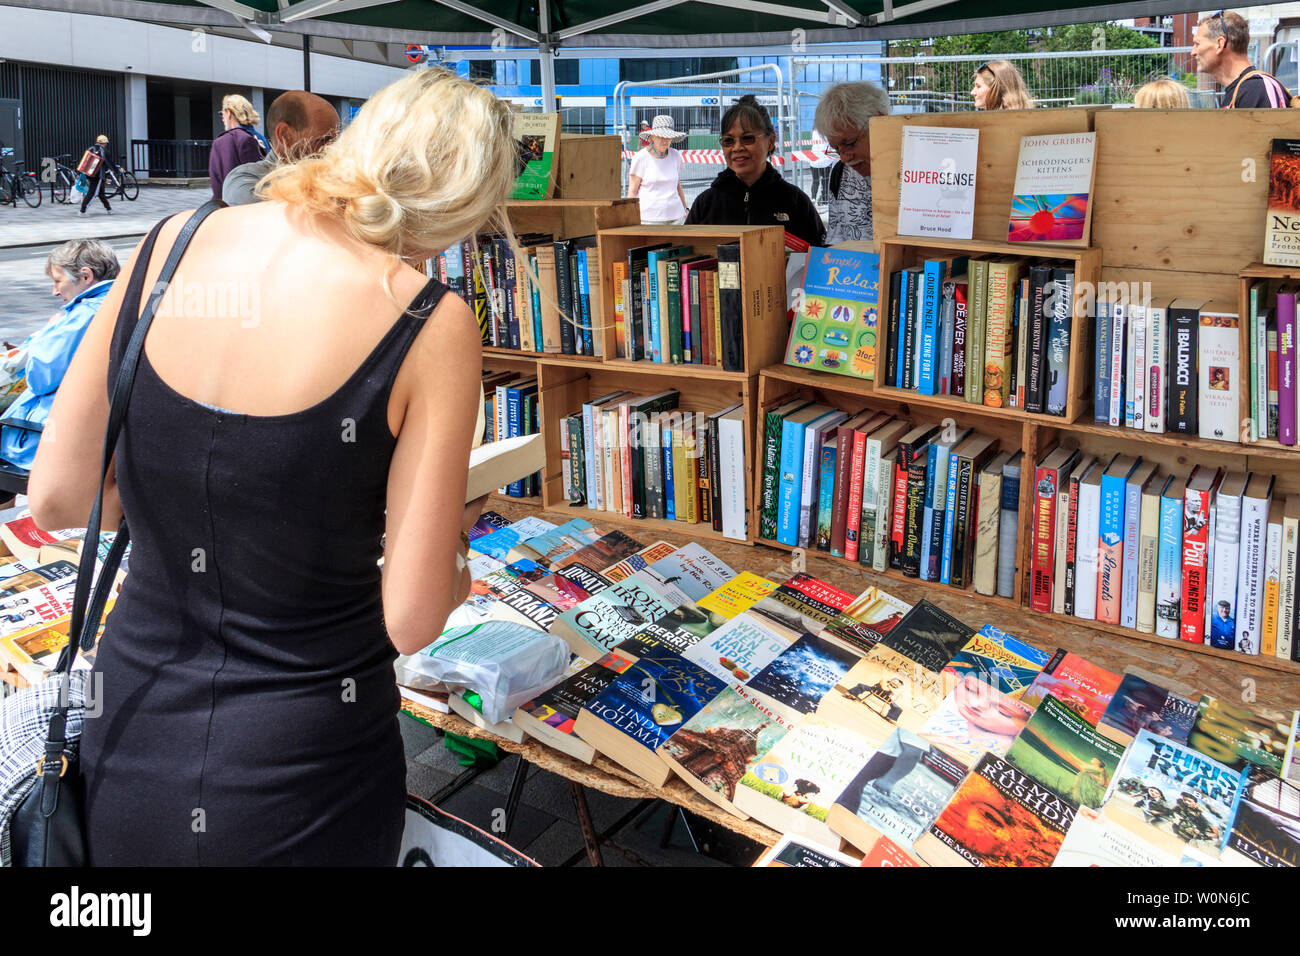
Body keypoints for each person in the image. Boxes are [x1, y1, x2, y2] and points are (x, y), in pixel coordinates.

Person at [29, 67, 517, 865]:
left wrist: (202, 515)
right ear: (465, 204)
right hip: (307, 768)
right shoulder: (429, 318)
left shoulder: (166, 244)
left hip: (131, 731)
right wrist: (456, 554)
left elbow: (56, 496)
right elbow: (413, 618)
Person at [0, 240, 120, 482]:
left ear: (86, 276)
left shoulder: (84, 315)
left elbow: (40, 378)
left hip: (46, 436)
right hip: (101, 427)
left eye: (58, 281)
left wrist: (45, 335)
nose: (54, 291)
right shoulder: (123, 302)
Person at [685, 95, 824, 247]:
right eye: (728, 141)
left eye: (747, 138)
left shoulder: (796, 202)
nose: (737, 148)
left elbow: (818, 259)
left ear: (770, 141)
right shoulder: (705, 204)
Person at [223, 90, 340, 206]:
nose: (333, 148)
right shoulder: (243, 180)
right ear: (285, 136)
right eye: (323, 140)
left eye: (337, 140)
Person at [812, 81, 890, 244]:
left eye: (848, 143)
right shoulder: (839, 174)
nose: (844, 158)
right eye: (836, 149)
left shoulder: (918, 171)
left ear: (880, 119)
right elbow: (836, 242)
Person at [1191, 10, 1292, 108]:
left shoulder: (1255, 89)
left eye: (1197, 44)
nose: (1193, 53)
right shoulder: (1244, 90)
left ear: (1220, 44)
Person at [627, 114, 689, 226]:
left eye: (668, 137)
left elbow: (677, 185)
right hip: (648, 220)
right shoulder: (641, 158)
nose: (665, 141)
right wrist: (629, 216)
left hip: (677, 218)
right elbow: (632, 191)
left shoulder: (675, 155)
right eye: (661, 137)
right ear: (652, 137)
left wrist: (685, 208)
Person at [209, 93, 270, 202]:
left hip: (236, 207)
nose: (222, 119)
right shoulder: (260, 138)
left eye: (221, 114)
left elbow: (222, 184)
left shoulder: (226, 141)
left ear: (229, 113)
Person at [77, 134, 113, 216]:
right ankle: (82, 211)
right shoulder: (103, 151)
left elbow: (84, 161)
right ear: (104, 143)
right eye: (106, 143)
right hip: (98, 175)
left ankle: (109, 209)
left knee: (101, 193)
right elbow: (107, 163)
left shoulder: (90, 148)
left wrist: (80, 173)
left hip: (89, 174)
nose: (106, 144)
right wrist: (112, 172)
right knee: (92, 193)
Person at [807, 128, 835, 205]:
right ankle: (824, 200)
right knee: (825, 180)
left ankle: (813, 199)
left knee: (815, 180)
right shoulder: (828, 131)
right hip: (826, 159)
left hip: (815, 159)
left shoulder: (814, 131)